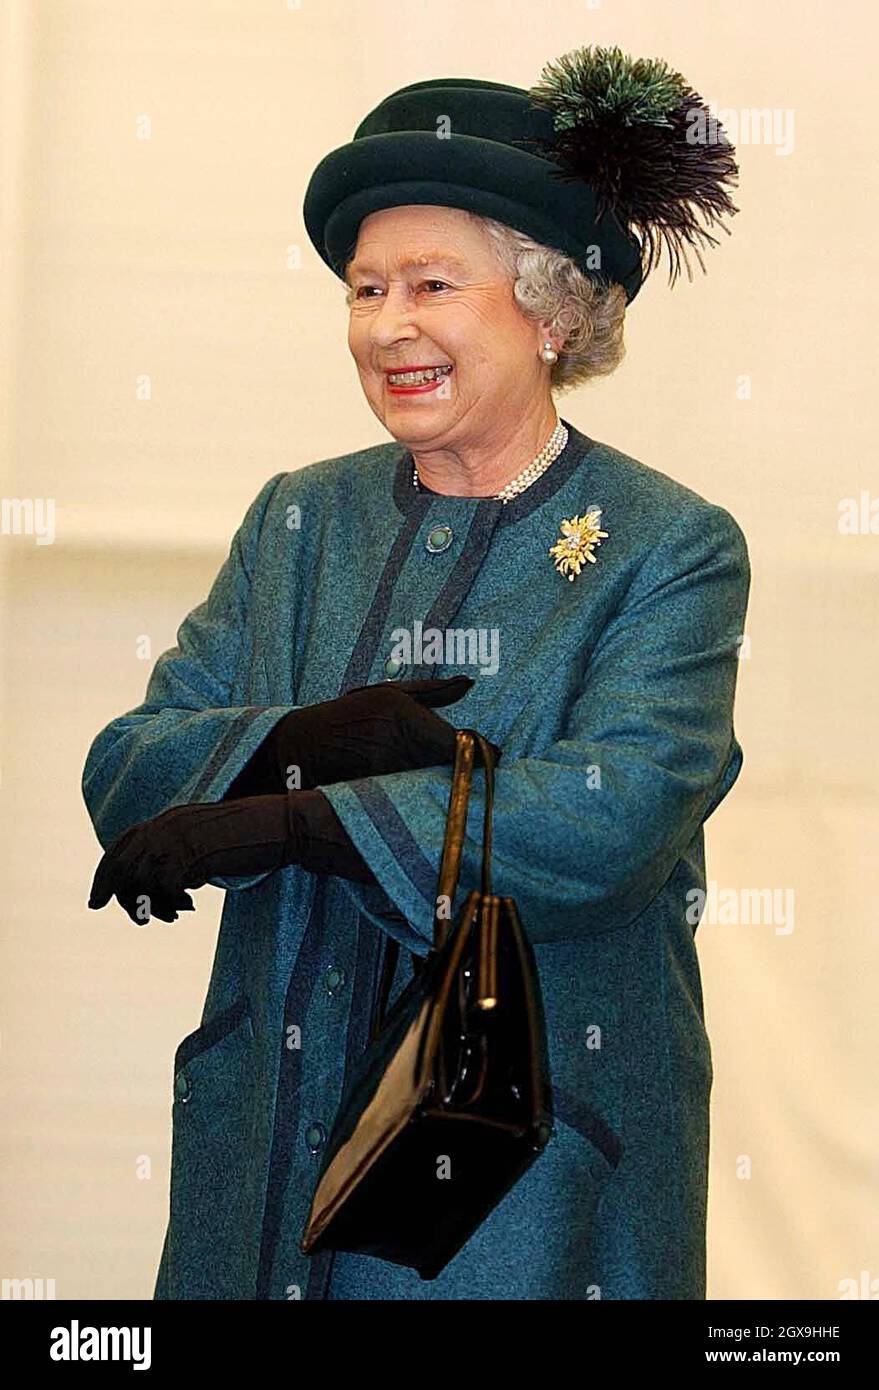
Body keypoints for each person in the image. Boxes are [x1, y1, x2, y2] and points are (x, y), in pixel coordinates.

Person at [83, 44, 750, 1300]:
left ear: (550, 311)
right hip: (268, 1128)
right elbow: (129, 762)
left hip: (513, 1167)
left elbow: (613, 814)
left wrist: (308, 820)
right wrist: (309, 738)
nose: (386, 326)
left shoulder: (668, 544)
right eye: (362, 288)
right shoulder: (300, 520)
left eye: (430, 284)